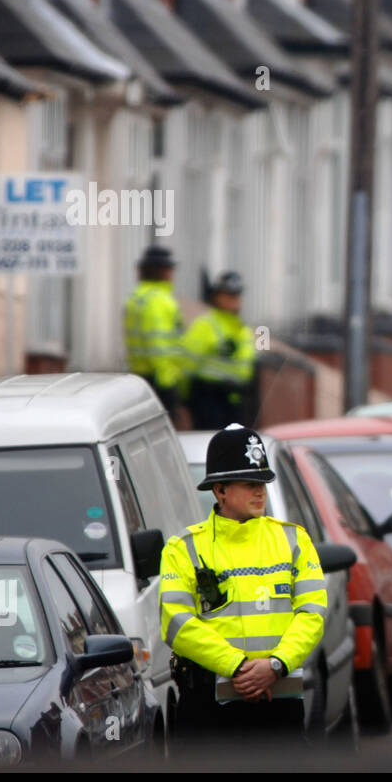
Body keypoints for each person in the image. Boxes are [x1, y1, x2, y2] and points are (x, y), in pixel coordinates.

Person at [158, 424, 326, 755]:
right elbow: (176, 623)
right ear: (220, 490)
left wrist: (275, 665)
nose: (260, 492)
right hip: (208, 711)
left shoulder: (294, 540)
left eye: (262, 483)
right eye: (250, 484)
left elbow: (313, 613)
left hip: (279, 703)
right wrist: (237, 667)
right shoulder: (183, 548)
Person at [183, 271, 257, 430]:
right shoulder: (205, 325)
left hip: (236, 398)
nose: (234, 300)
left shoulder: (241, 328)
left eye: (237, 296)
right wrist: (185, 396)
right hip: (209, 399)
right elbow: (187, 363)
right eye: (229, 295)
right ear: (217, 297)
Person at [124, 245, 185, 418]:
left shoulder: (137, 297)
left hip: (140, 375)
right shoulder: (159, 300)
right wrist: (168, 384)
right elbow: (158, 347)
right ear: (162, 271)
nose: (172, 274)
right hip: (160, 379)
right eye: (170, 268)